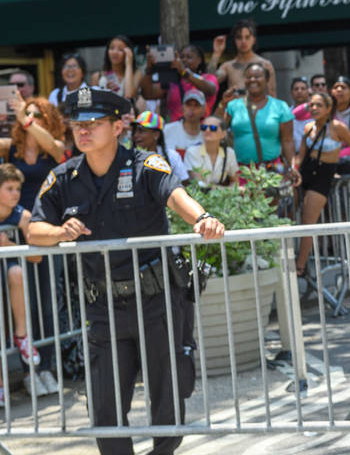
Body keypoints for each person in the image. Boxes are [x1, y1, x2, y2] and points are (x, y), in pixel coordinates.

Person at [29, 87, 225, 455]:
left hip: (157, 301)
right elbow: (34, 230)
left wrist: (202, 218)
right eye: (77, 125)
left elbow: (175, 194)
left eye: (94, 124)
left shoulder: (145, 165)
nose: (83, 131)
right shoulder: (64, 178)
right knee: (104, 407)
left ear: (118, 126)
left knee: (167, 399)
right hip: (104, 307)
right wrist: (59, 232)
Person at [0, 96, 65, 395]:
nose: (31, 118)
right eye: (27, 115)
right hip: (15, 229)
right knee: (24, 306)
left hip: (44, 228)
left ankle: (48, 367)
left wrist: (26, 117)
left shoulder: (53, 147)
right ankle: (29, 372)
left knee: (47, 303)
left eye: (38, 114)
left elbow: (56, 146)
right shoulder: (9, 148)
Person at [293, 92, 350, 277]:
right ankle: (296, 261)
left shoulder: (338, 127)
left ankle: (299, 267)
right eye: (311, 105)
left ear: (328, 108)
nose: (313, 108)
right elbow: (300, 154)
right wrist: (293, 169)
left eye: (318, 105)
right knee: (294, 218)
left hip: (323, 176)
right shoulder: (308, 127)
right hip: (305, 174)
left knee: (308, 222)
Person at [0, 164, 53, 403]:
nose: (15, 194)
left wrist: (9, 247)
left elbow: (37, 256)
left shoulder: (23, 215)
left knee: (17, 272)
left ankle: (22, 336)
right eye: (9, 188)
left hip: (14, 283)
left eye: (18, 189)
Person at [220, 63, 298, 183]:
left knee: (271, 201)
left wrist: (293, 167)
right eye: (248, 77)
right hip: (239, 170)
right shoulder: (233, 106)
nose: (252, 80)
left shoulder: (280, 106)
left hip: (271, 170)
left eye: (257, 77)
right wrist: (222, 105)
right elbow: (218, 130)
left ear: (267, 80)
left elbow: (287, 140)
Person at [140, 43, 219, 122]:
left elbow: (210, 90)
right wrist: (149, 70)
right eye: (181, 57)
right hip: (174, 131)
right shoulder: (172, 81)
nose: (184, 60)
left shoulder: (208, 77)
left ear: (199, 60)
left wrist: (184, 72)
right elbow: (148, 94)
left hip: (201, 130)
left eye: (189, 57)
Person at [216, 19, 277, 97]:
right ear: (234, 40)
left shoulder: (265, 64)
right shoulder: (228, 66)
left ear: (254, 39)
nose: (243, 41)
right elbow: (211, 81)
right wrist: (216, 54)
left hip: (260, 108)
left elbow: (272, 95)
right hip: (236, 108)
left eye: (247, 37)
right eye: (239, 37)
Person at [132, 111, 190, 183]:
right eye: (135, 131)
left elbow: (184, 182)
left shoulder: (172, 157)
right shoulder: (130, 156)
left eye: (141, 131)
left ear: (156, 135)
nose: (136, 135)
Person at [184, 115, 238, 187]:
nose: (207, 130)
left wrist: (227, 191)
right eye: (204, 127)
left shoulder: (229, 153)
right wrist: (223, 189)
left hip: (223, 196)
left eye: (213, 128)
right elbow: (199, 184)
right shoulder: (192, 152)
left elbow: (235, 181)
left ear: (223, 134)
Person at [90, 35, 138, 101]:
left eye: (120, 49)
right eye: (112, 48)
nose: (115, 52)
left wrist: (129, 63)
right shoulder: (97, 76)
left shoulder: (136, 74)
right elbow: (93, 101)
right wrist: (106, 91)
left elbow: (128, 95)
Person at [163, 91, 207, 159]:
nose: (192, 109)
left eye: (196, 105)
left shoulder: (208, 133)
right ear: (182, 107)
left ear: (204, 110)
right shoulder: (167, 130)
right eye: (188, 105)